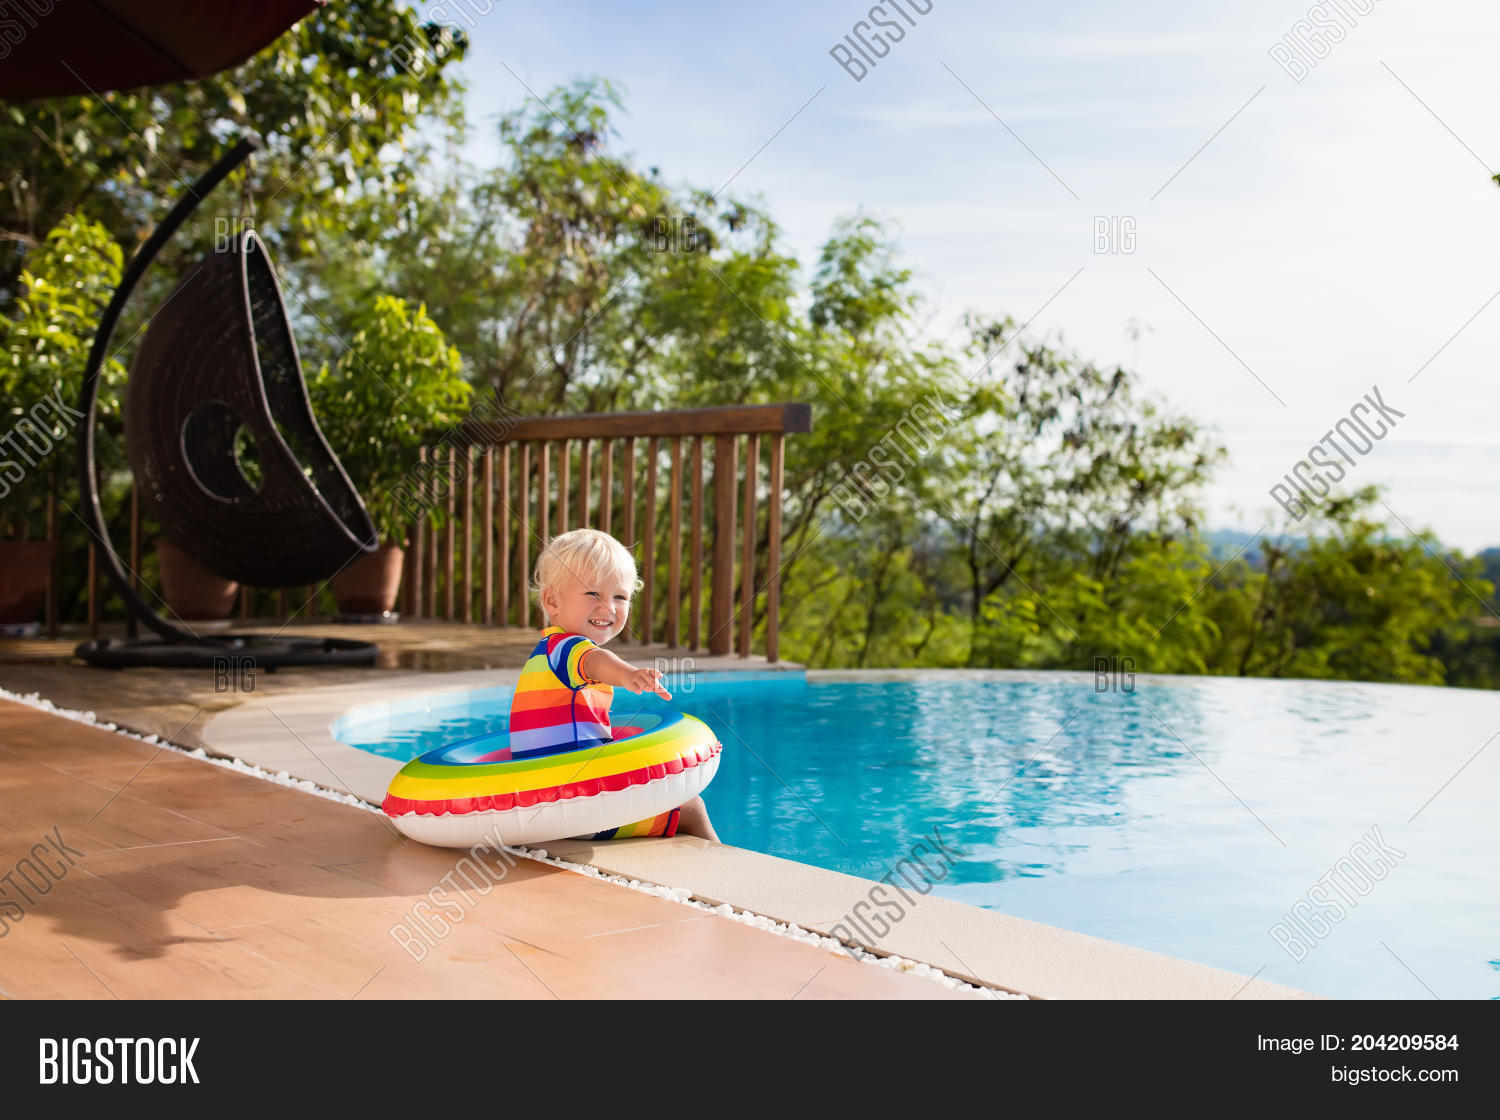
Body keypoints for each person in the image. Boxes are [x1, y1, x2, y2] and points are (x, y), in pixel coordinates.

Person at [510, 528, 719, 842]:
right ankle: (723, 868)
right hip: (578, 810)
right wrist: (628, 675)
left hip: (545, 803)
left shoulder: (546, 651)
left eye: (620, 597)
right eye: (593, 594)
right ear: (552, 601)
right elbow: (595, 660)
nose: (608, 607)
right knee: (691, 807)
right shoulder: (567, 648)